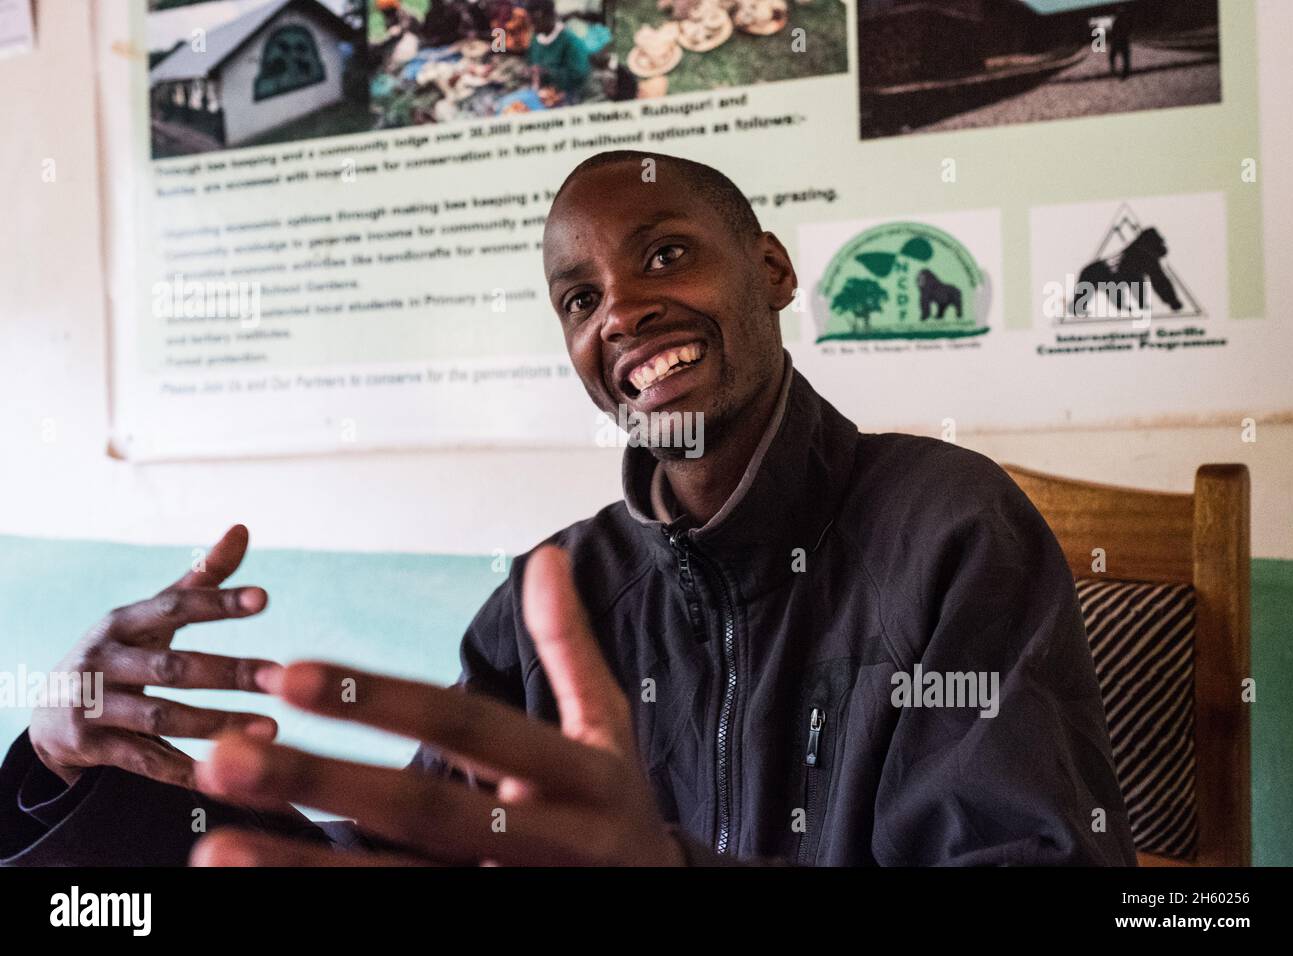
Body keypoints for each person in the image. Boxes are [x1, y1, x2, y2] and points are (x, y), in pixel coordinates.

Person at [0, 151, 1136, 867]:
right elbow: (424, 842)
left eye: (666, 255)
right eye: (580, 296)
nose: (624, 312)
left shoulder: (946, 527)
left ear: (774, 268)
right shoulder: (557, 588)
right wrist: (66, 766)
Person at [525, 0, 591, 104]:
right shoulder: (536, 38)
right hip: (541, 92)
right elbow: (531, 62)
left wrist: (548, 72)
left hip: (567, 94)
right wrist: (530, 71)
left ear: (548, 17)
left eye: (535, 22)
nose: (532, 27)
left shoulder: (570, 41)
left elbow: (579, 75)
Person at [1108, 4, 1133, 81]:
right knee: (1125, 57)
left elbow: (1113, 32)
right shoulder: (1126, 20)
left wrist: (1113, 39)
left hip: (1119, 41)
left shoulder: (1117, 21)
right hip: (1123, 41)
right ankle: (1124, 72)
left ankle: (1115, 70)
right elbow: (1129, 30)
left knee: (1113, 56)